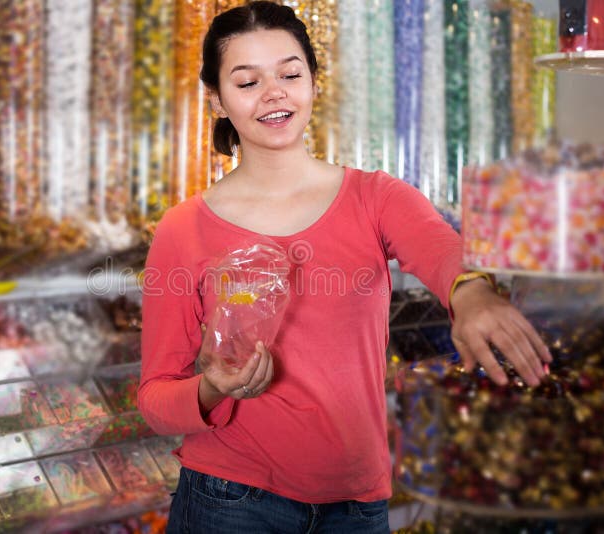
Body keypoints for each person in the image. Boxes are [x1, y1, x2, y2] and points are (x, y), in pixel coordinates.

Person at [138, 2, 552, 532]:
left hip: (357, 505)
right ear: (217, 100)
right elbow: (154, 400)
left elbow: (441, 249)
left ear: (313, 82)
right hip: (229, 501)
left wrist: (471, 295)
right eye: (248, 82)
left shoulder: (376, 197)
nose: (274, 93)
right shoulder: (182, 229)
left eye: (290, 74)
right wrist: (212, 387)